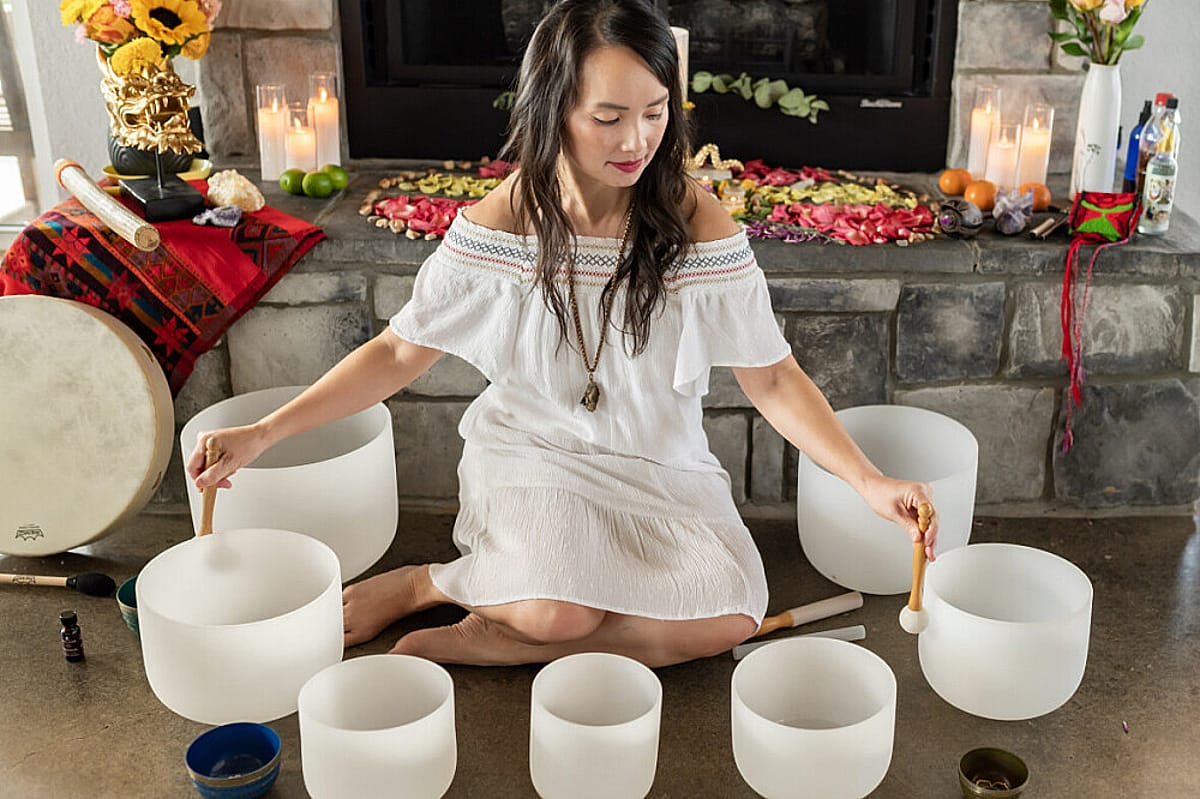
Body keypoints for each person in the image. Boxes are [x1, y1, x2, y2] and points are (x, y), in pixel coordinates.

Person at [188, 0, 938, 668]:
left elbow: (770, 375)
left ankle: (509, 637)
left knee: (727, 617)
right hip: (534, 454)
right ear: (554, 109)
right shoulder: (508, 217)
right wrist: (265, 431)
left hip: (658, 463)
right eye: (607, 117)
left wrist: (869, 481)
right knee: (559, 608)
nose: (636, 140)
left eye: (655, 112)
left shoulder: (692, 215)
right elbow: (399, 350)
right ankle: (431, 585)